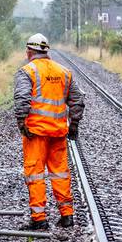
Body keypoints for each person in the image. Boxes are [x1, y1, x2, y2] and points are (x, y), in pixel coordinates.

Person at [13, 33, 85, 231]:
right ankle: (67, 215)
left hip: (35, 133)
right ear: (46, 51)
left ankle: (39, 219)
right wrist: (74, 125)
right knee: (60, 173)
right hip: (58, 133)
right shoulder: (64, 72)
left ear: (29, 51)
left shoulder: (27, 71)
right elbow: (77, 100)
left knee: (35, 174)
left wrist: (21, 123)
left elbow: (22, 99)